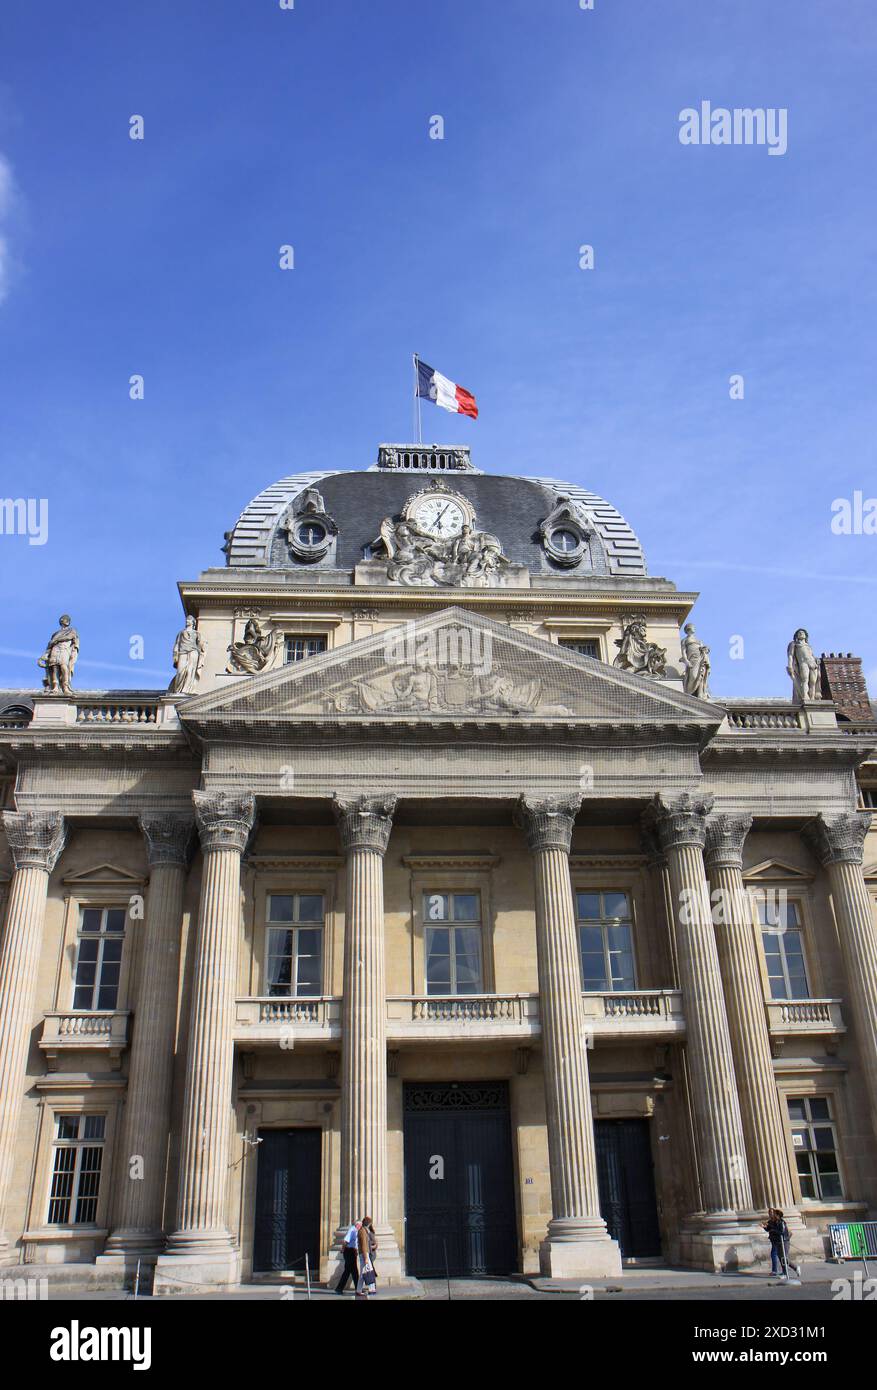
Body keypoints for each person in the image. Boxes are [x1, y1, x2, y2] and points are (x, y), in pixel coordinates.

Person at [335, 1221, 361, 1294]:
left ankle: (340, 1288)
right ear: (357, 1225)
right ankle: (358, 1289)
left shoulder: (355, 1231)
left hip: (352, 1252)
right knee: (353, 1271)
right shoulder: (352, 1230)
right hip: (349, 1251)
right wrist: (343, 1249)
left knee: (350, 1271)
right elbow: (345, 1241)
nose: (360, 1227)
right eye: (360, 1226)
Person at [355, 1214, 375, 1299]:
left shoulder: (363, 1230)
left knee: (364, 1273)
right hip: (364, 1254)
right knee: (369, 1271)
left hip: (364, 1253)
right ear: (368, 1223)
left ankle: (359, 1290)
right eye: (370, 1223)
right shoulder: (363, 1231)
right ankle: (371, 1289)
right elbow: (363, 1245)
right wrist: (366, 1258)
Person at [763, 1208, 785, 1275]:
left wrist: (771, 1229)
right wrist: (764, 1227)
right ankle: (784, 1271)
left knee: (775, 1254)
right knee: (779, 1256)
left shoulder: (779, 1221)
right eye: (769, 1213)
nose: (770, 1214)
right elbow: (768, 1229)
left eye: (771, 1213)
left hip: (778, 1240)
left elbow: (780, 1231)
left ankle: (775, 1271)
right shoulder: (770, 1221)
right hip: (773, 1240)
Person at [364, 1217, 378, 1295]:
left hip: (371, 1254)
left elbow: (375, 1243)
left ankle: (373, 1288)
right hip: (369, 1253)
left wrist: (372, 1247)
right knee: (370, 1270)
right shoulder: (367, 1231)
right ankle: (372, 1288)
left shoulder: (370, 1232)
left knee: (370, 1271)